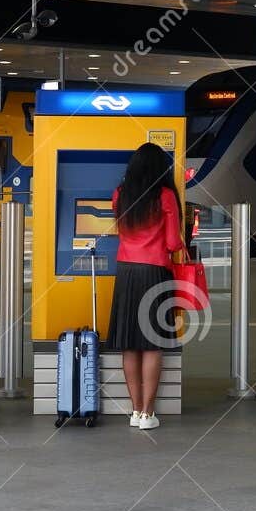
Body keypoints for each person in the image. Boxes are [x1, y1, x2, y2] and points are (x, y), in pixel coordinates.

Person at [106, 142, 182, 431]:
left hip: (125, 272)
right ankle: (148, 414)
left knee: (130, 346)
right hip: (154, 273)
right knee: (152, 345)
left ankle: (135, 411)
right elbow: (173, 243)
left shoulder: (120, 195)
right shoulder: (164, 196)